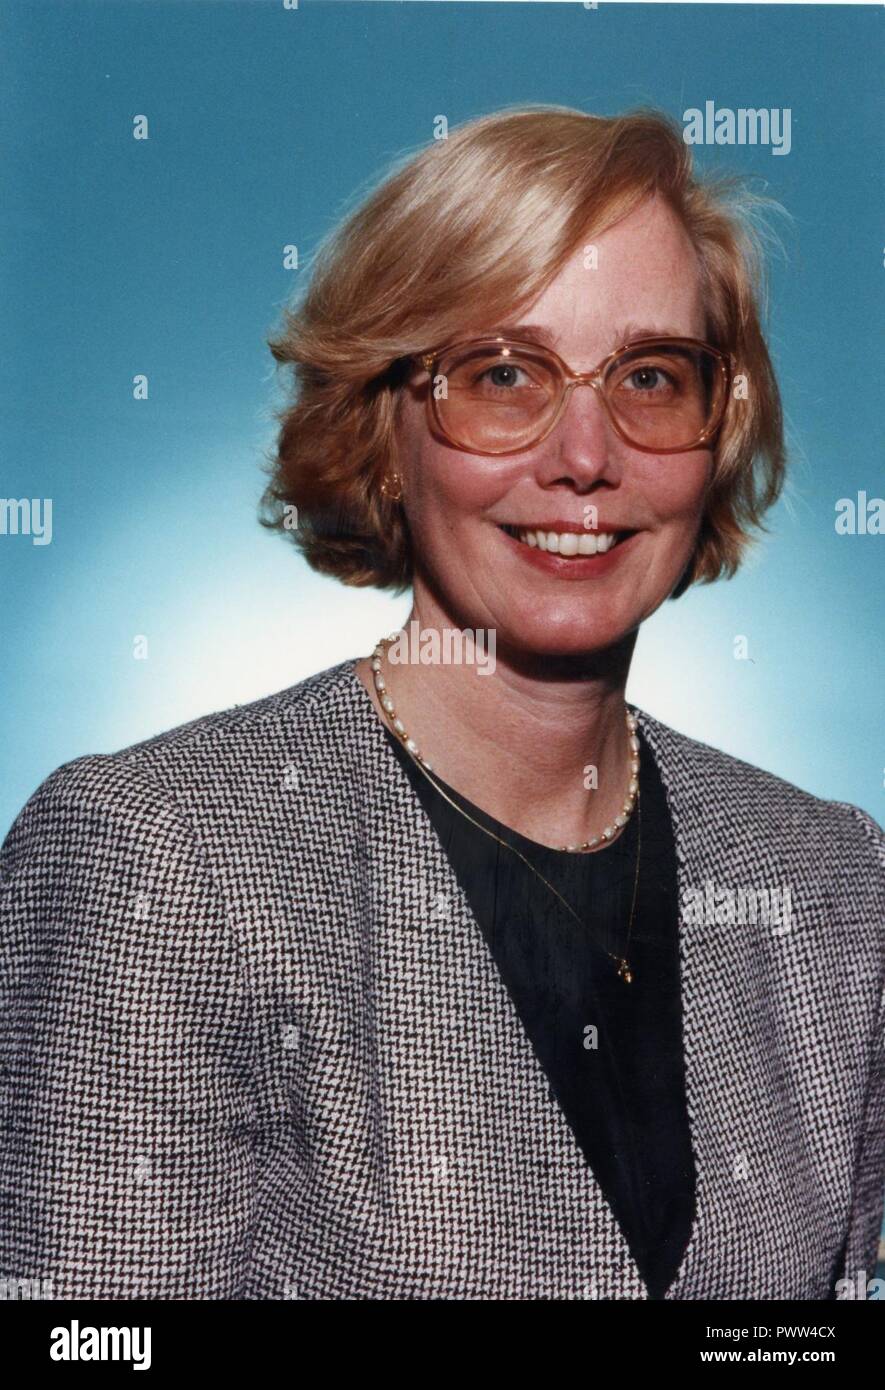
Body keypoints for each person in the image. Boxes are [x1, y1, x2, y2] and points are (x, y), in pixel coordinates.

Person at [1, 106, 882, 1301]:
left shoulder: (831, 882)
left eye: (652, 376)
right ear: (382, 434)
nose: (585, 454)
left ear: (717, 436)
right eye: (504, 374)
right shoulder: (162, 859)